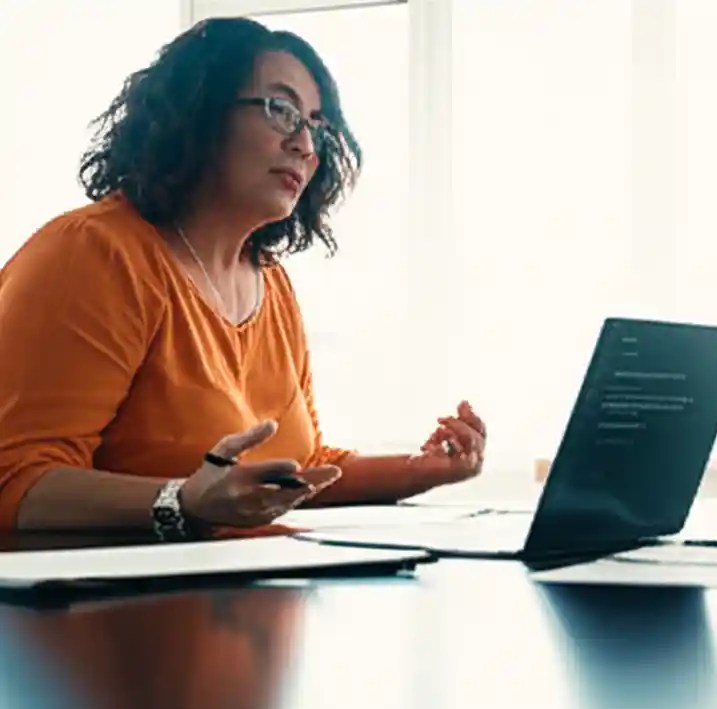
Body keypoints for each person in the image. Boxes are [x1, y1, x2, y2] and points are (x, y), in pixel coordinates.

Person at [0, 17, 486, 540]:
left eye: (317, 125)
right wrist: (180, 501)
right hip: (108, 613)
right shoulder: (94, 254)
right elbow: (15, 478)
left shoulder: (270, 283)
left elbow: (298, 466)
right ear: (199, 113)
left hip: (246, 603)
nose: (305, 144)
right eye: (282, 110)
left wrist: (419, 471)